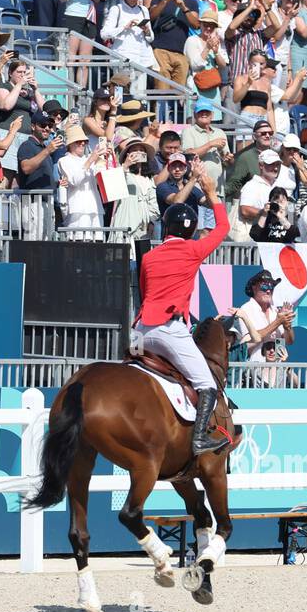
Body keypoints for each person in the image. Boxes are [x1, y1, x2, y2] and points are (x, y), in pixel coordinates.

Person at [132, 175, 229, 456]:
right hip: (168, 330)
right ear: (190, 230)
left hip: (139, 331)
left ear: (166, 228)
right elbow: (223, 227)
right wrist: (211, 194)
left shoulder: (149, 257)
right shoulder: (194, 249)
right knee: (207, 384)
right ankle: (199, 440)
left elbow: (144, 291)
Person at [233, 270, 294, 362]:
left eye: (271, 287)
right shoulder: (245, 310)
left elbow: (289, 341)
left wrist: (287, 325)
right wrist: (278, 322)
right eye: (264, 286)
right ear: (254, 288)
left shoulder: (275, 311)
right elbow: (251, 340)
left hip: (277, 371)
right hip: (253, 370)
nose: (268, 290)